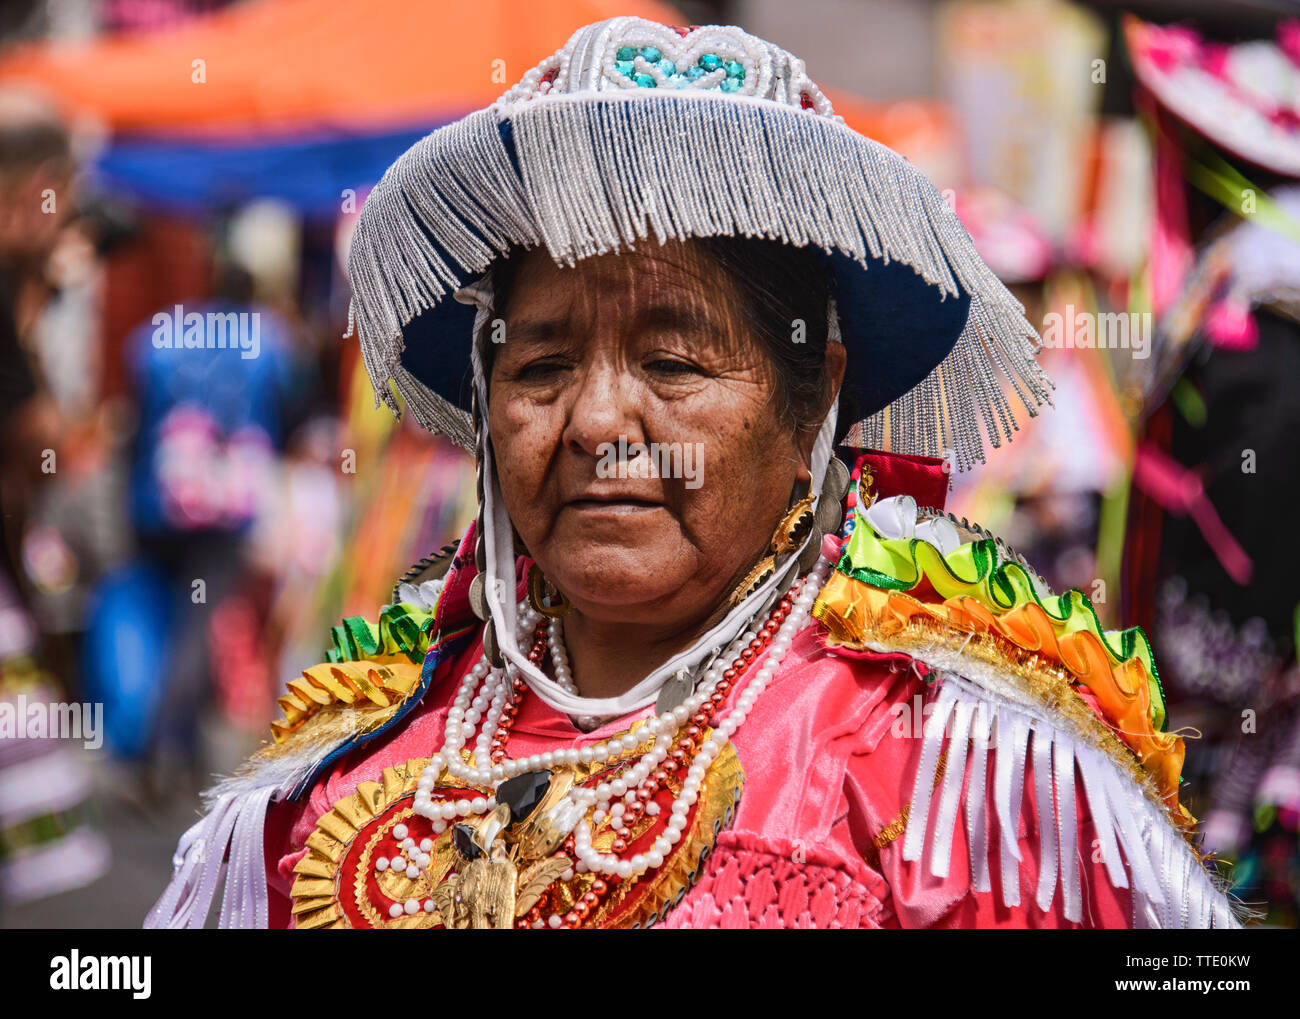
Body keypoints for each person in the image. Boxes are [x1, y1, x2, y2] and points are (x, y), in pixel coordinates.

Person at [148, 17, 1237, 929]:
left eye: (671, 361)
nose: (598, 421)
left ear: (814, 397)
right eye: (540, 365)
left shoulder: (968, 779)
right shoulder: (336, 775)